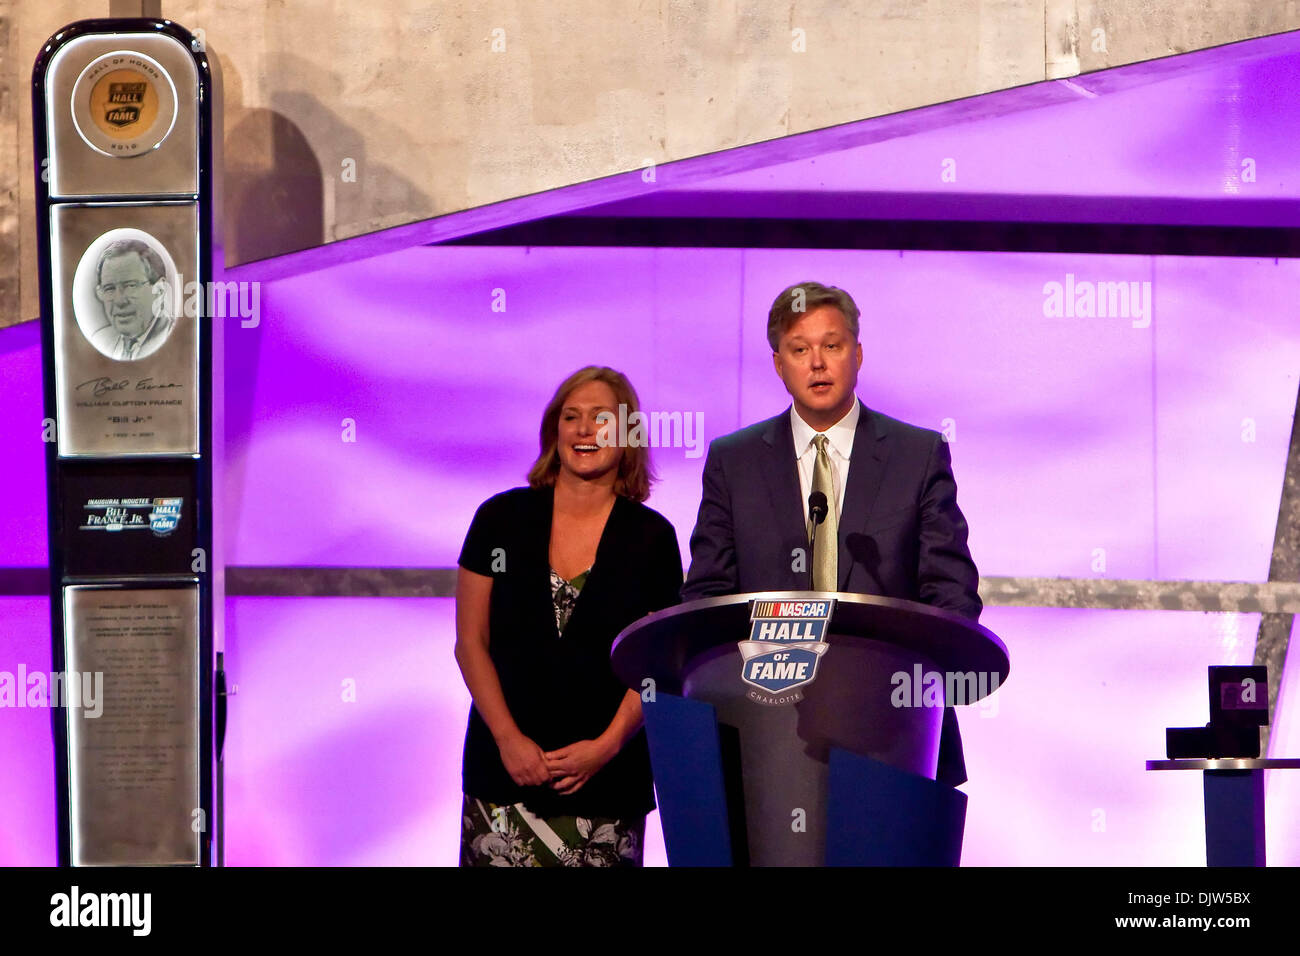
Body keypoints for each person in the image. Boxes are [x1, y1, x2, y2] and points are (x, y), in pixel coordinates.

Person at [681, 281, 981, 787]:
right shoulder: (734, 461)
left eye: (832, 346)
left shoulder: (917, 455)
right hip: (762, 731)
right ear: (779, 364)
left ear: (857, 354)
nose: (817, 363)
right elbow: (708, 597)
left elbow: (952, 600)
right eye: (800, 350)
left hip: (894, 732)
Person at [454, 366, 683, 866]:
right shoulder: (499, 520)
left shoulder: (652, 539)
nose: (584, 429)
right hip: (503, 781)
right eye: (571, 416)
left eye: (602, 418)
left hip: (607, 787)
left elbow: (658, 665)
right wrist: (509, 741)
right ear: (553, 430)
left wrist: (606, 746)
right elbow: (470, 642)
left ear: (627, 437)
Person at [87, 239, 174, 361]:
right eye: (109, 288)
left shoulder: (178, 341)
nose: (119, 301)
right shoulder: (101, 340)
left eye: (130, 286)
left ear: (159, 290)